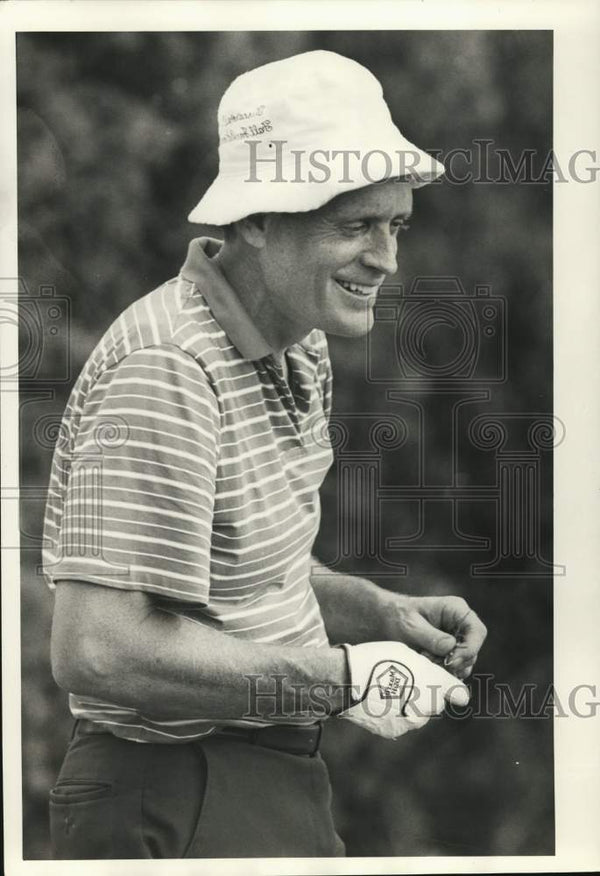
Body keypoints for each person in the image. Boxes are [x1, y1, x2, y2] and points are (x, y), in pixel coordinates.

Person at [43, 50, 487, 859]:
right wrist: (348, 677)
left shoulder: (299, 345)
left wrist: (376, 612)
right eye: (353, 226)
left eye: (395, 226)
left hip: (266, 775)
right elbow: (97, 649)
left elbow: (237, 563)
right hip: (171, 787)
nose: (386, 260)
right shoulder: (169, 366)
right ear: (255, 220)